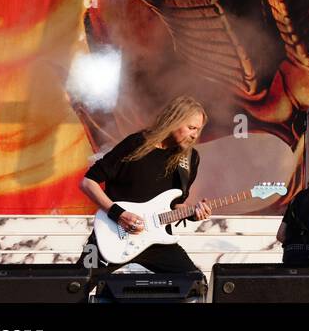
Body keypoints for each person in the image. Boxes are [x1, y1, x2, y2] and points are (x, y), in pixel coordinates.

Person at [80, 95, 211, 274]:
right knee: (76, 286)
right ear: (174, 120)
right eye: (191, 128)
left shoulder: (189, 159)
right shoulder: (136, 144)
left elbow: (174, 206)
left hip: (157, 242)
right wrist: (119, 215)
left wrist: (192, 213)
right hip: (113, 234)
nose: (195, 135)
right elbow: (88, 182)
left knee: (194, 283)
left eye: (198, 130)